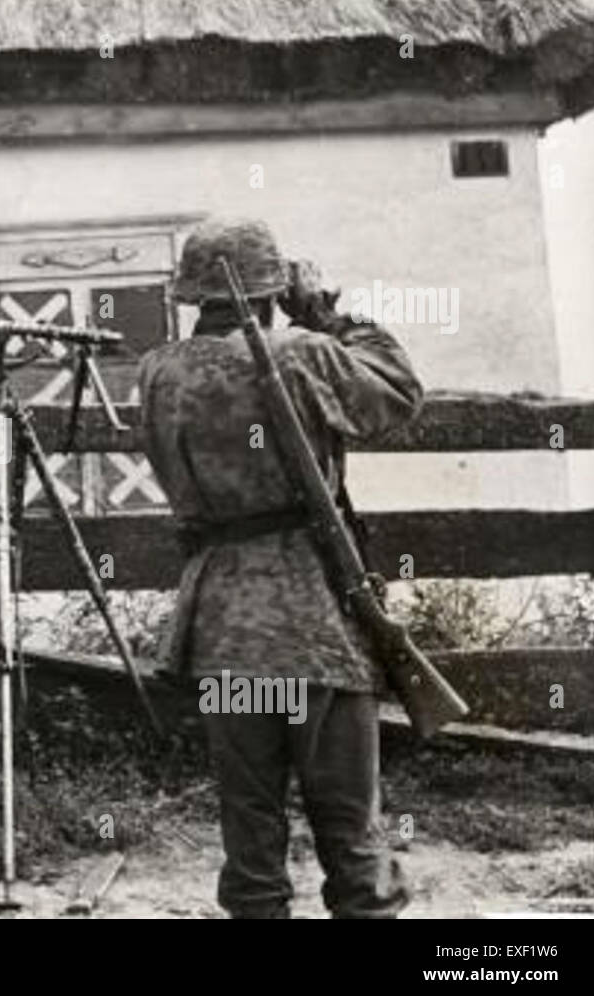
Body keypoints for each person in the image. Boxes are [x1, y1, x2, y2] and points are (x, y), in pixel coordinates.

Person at [138, 217, 421, 919]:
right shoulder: (302, 353)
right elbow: (399, 394)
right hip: (313, 623)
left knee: (251, 837)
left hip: (223, 628)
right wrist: (324, 310)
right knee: (352, 832)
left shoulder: (157, 370)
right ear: (273, 286)